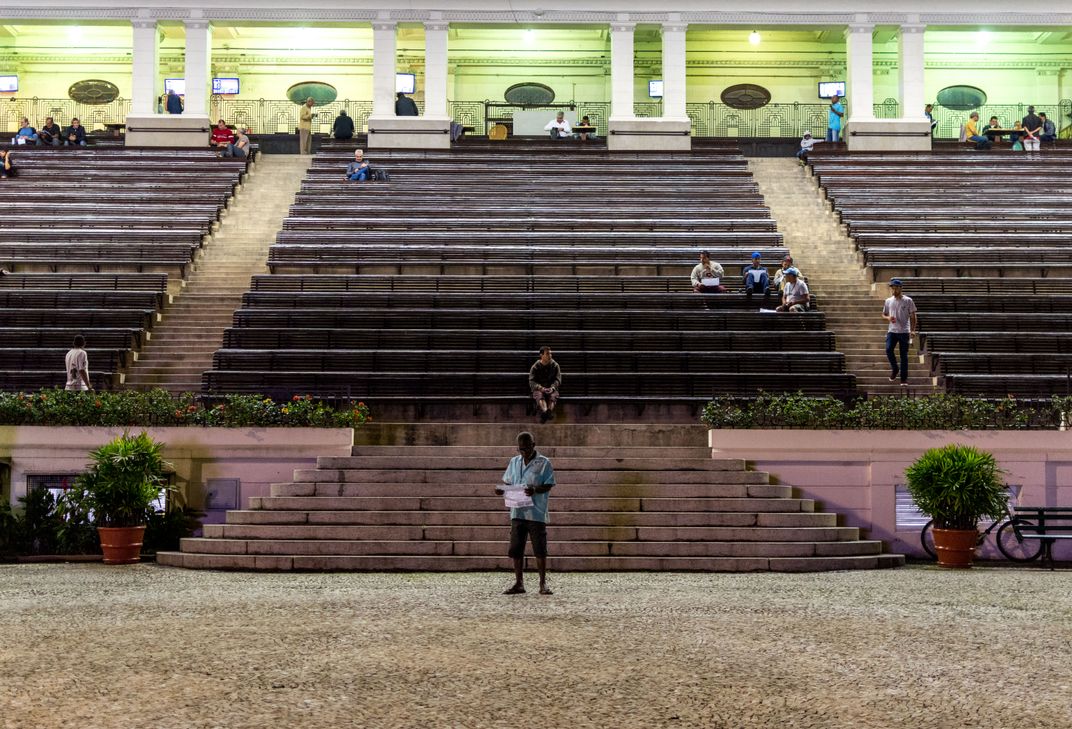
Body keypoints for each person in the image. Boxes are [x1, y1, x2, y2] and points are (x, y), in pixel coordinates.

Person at [494, 431, 555, 596]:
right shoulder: (514, 462)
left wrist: (534, 489)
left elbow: (549, 484)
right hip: (517, 512)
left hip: (536, 512)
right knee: (516, 548)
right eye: (521, 449)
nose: (524, 452)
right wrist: (501, 490)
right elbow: (507, 482)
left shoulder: (544, 463)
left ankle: (543, 583)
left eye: (527, 448)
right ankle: (518, 583)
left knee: (540, 549)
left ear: (533, 445)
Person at [883, 278, 918, 388]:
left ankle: (903, 379)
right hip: (892, 331)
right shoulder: (888, 301)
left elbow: (913, 316)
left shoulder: (908, 300)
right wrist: (888, 318)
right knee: (888, 349)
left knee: (904, 356)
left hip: (904, 331)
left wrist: (912, 330)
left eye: (896, 287)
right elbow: (883, 314)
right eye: (892, 287)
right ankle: (895, 369)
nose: (893, 289)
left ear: (900, 288)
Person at [528, 346, 561, 423]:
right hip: (539, 389)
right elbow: (532, 381)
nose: (550, 355)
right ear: (541, 355)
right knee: (539, 395)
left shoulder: (555, 365)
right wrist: (540, 388)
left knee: (553, 396)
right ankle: (547, 413)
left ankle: (545, 414)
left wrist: (552, 388)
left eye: (550, 354)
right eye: (547, 354)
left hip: (551, 388)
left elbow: (558, 379)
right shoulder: (535, 367)